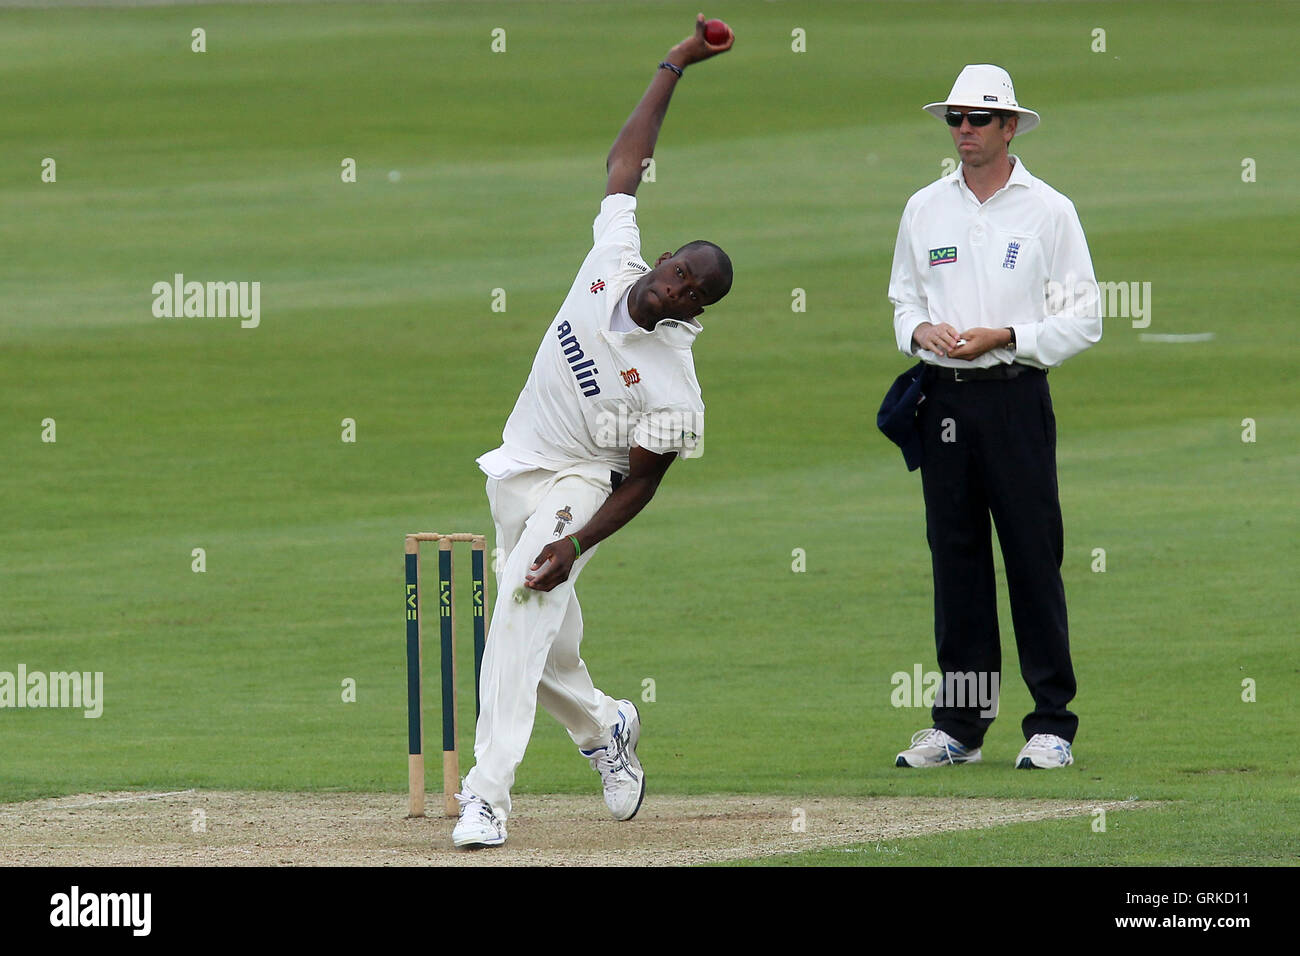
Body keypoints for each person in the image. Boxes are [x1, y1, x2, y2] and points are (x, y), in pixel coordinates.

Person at [451, 15, 735, 848]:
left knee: (518, 602)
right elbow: (625, 163)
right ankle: (605, 725)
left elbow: (641, 482)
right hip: (518, 465)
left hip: (586, 485)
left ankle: (487, 796)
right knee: (545, 644)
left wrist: (575, 547)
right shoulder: (615, 255)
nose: (670, 286)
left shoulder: (677, 388)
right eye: (675, 268)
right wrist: (675, 63)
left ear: (696, 310)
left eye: (688, 290)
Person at [887, 64, 1101, 771]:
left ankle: (1052, 725)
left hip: (1013, 396)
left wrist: (1007, 336)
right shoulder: (925, 207)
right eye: (955, 119)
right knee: (957, 562)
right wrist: (920, 334)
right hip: (942, 399)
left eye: (978, 119)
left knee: (1033, 557)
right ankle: (962, 728)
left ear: (1010, 126)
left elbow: (1085, 318)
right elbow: (905, 300)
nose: (965, 131)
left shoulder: (1049, 209)